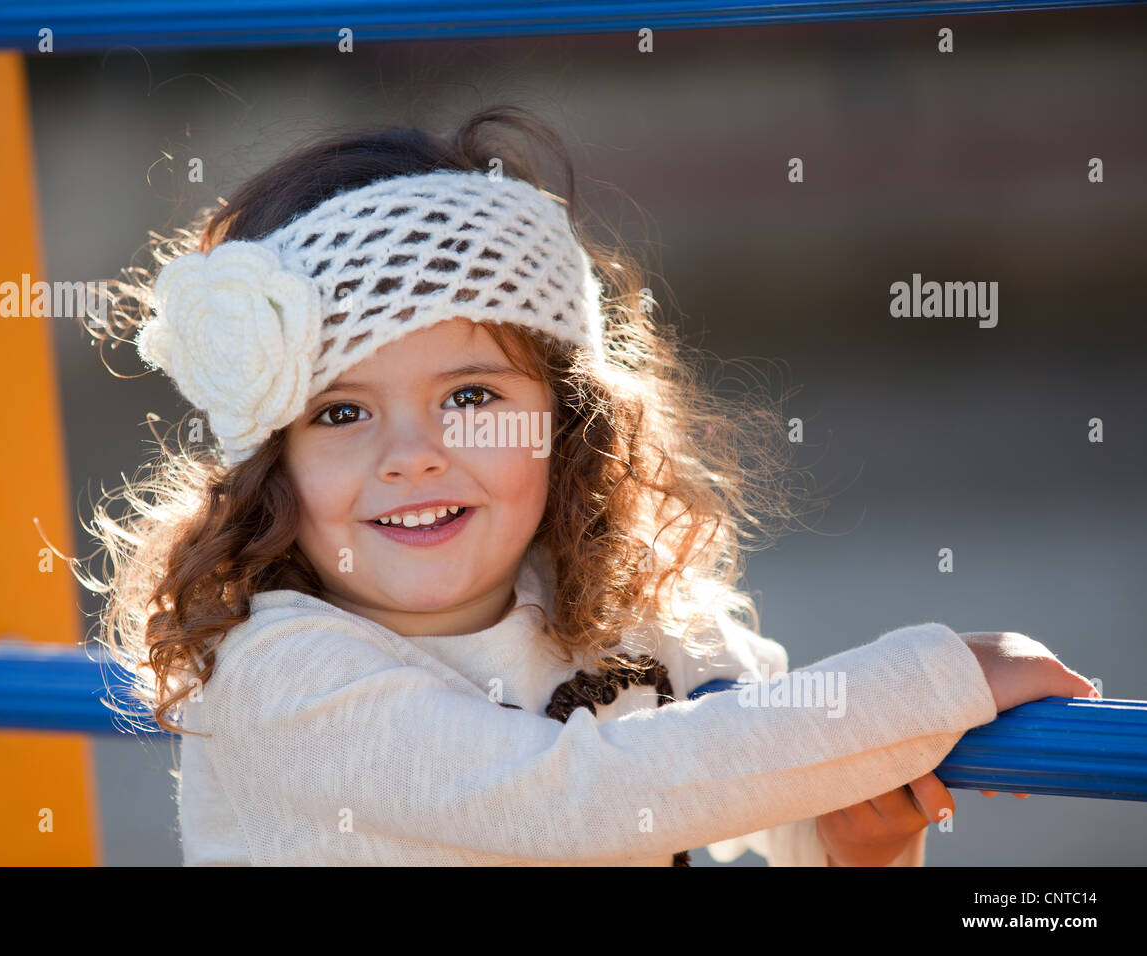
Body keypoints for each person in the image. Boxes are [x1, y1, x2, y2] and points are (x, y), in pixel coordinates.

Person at [76, 104, 1097, 866]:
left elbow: (768, 770)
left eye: (470, 394)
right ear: (275, 464)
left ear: (565, 418)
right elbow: (579, 797)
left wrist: (855, 836)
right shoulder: (283, 674)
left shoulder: (624, 614)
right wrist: (933, 677)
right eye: (340, 412)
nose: (412, 454)